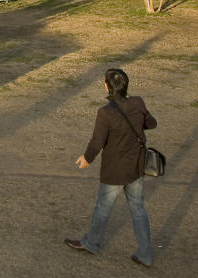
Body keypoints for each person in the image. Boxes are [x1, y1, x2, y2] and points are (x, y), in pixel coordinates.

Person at [65, 68, 157, 267]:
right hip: (136, 166)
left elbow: (98, 141)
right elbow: (152, 123)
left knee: (103, 208)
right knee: (138, 209)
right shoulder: (138, 102)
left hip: (115, 169)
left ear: (108, 88)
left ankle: (91, 243)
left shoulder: (105, 113)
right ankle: (145, 254)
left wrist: (86, 158)